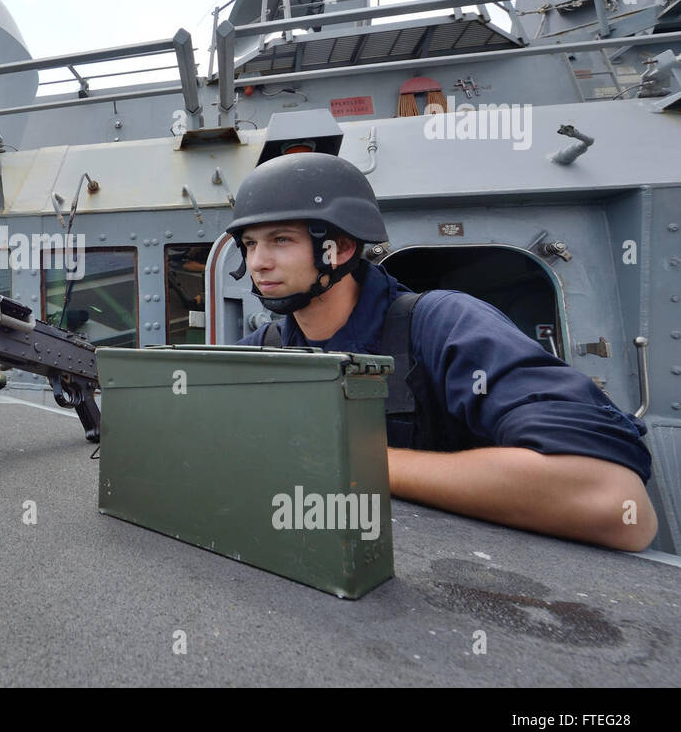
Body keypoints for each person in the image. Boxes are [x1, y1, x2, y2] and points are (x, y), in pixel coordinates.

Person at [226, 152, 658, 552]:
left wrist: (349, 460)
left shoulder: (443, 324)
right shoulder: (263, 351)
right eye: (249, 244)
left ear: (340, 248)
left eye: (280, 240)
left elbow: (617, 503)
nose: (260, 261)